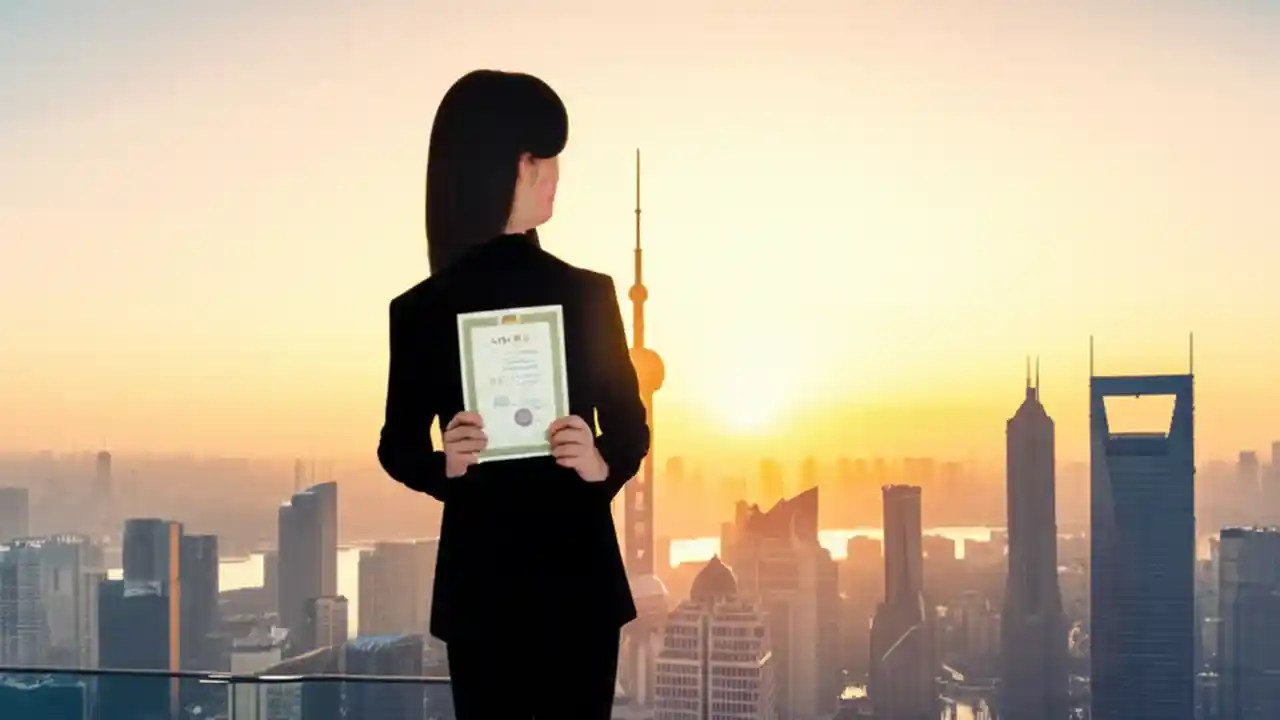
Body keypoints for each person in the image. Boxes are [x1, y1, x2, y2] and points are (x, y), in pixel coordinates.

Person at [377, 69, 651, 719]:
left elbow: (631, 427)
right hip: (485, 588)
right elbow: (396, 445)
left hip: (577, 583)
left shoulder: (590, 293)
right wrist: (443, 464)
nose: (554, 174)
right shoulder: (421, 310)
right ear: (505, 166)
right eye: (541, 159)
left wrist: (599, 459)